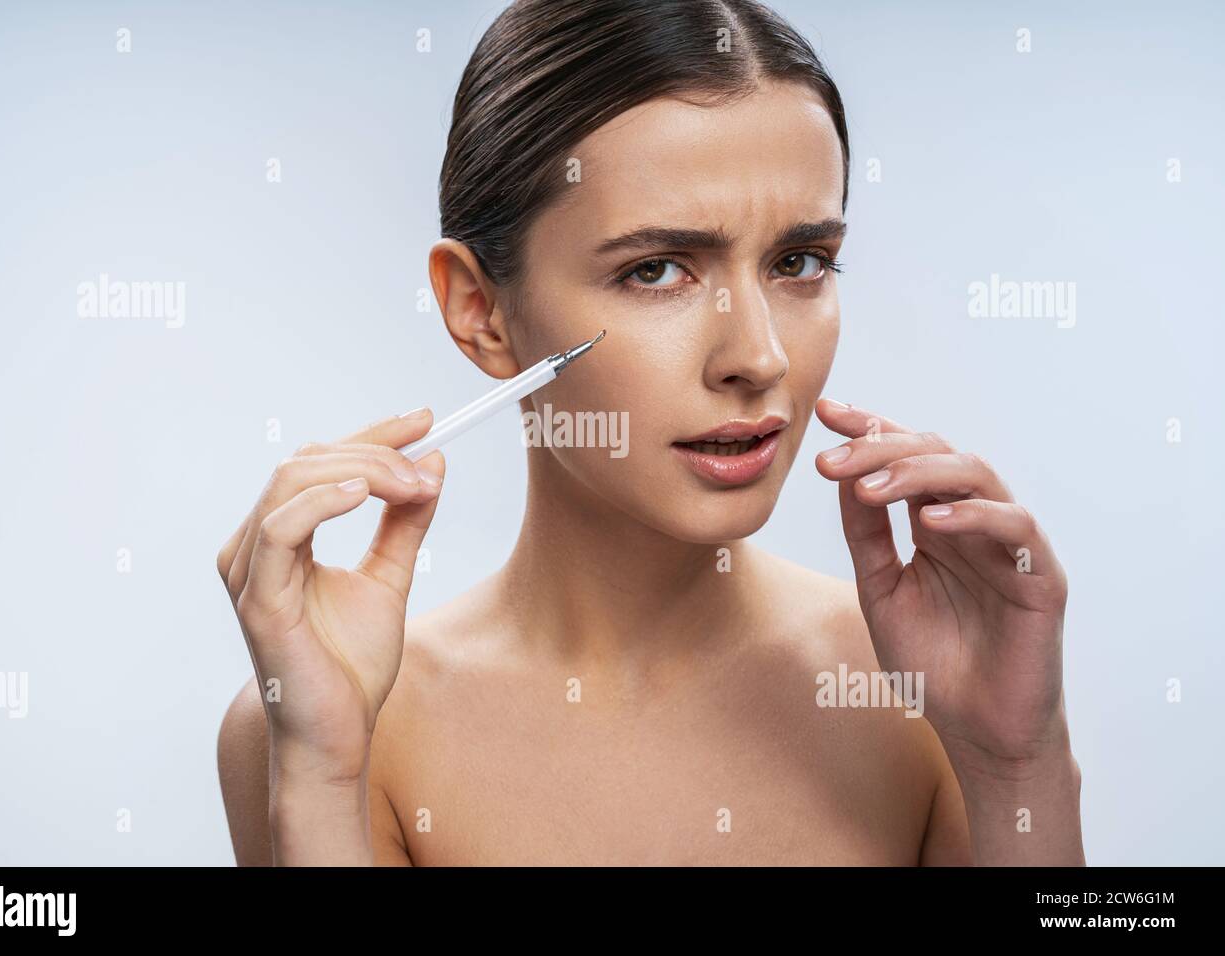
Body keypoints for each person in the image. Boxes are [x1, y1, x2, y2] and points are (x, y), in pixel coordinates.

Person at [216, 0, 1083, 866]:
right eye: (656, 271)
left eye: (799, 262)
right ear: (480, 311)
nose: (758, 355)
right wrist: (321, 776)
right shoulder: (337, 722)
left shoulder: (923, 694)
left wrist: (1017, 764)